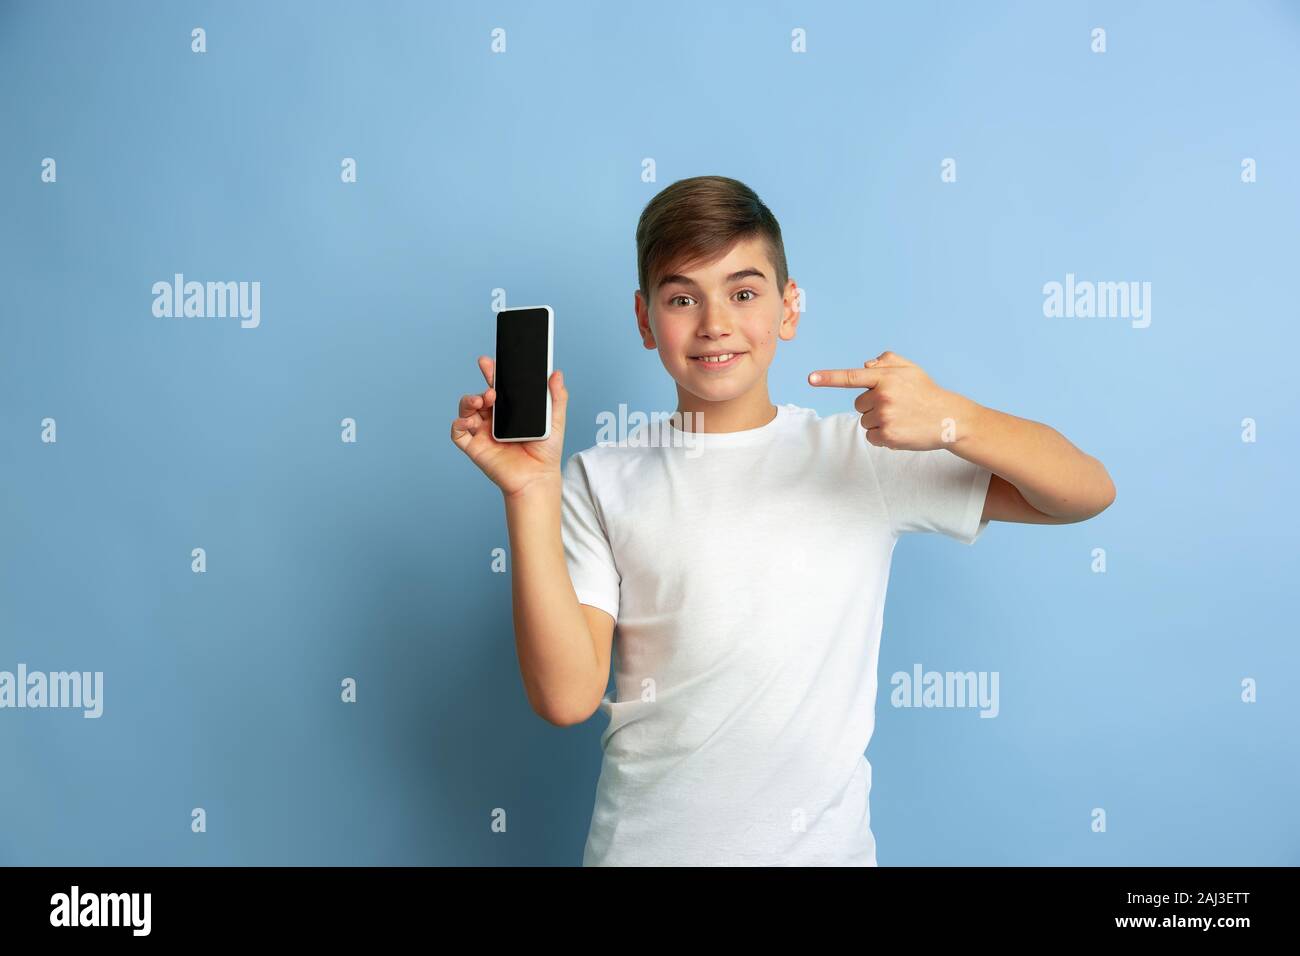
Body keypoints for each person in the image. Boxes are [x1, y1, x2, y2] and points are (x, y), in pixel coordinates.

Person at [450, 175, 1116, 866]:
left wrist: (954, 419)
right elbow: (565, 697)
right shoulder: (599, 478)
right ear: (646, 322)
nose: (715, 323)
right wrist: (530, 492)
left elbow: (1084, 491)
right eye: (683, 298)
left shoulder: (865, 456)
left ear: (788, 308)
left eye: (743, 293)